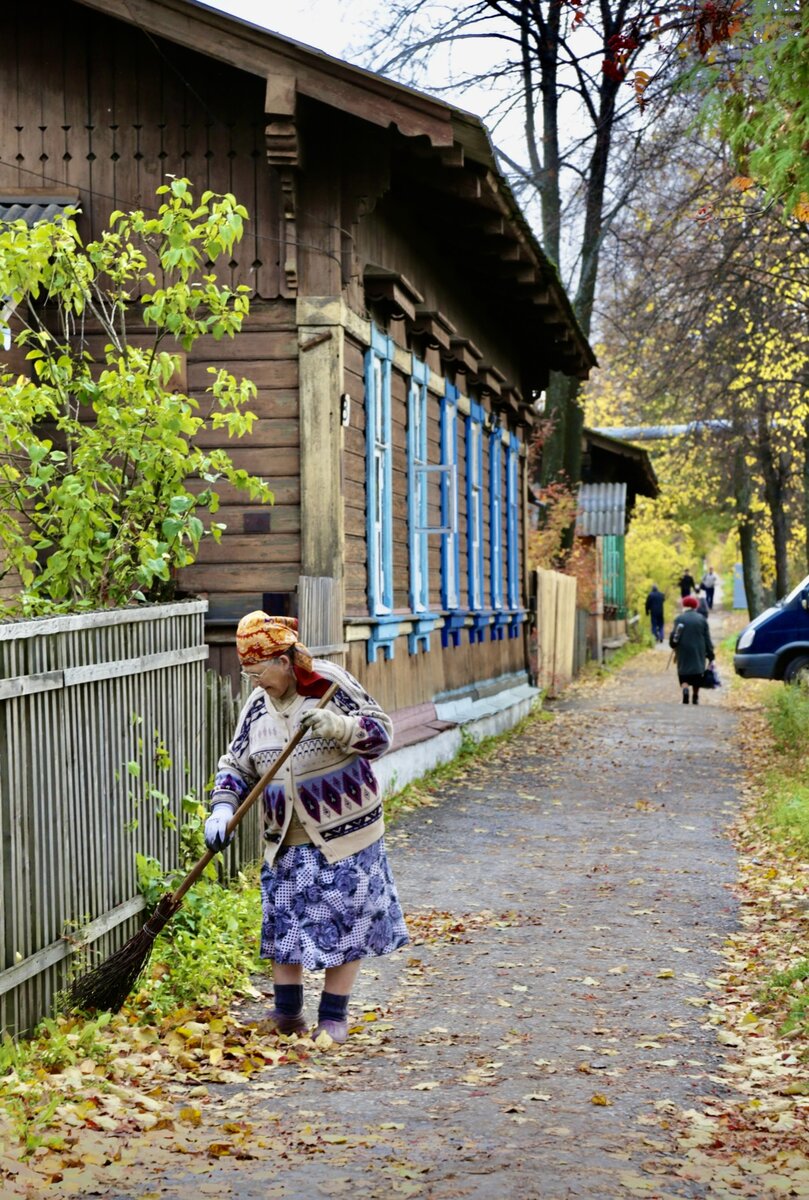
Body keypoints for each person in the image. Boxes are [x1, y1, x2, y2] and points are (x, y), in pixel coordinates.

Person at [204, 612, 408, 1044]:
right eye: (247, 672)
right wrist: (222, 807)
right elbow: (236, 764)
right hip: (284, 838)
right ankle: (287, 1013)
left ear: (283, 659)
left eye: (259, 671)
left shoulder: (327, 683)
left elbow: (381, 734)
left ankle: (333, 1017)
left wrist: (339, 727)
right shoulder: (258, 705)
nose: (255, 680)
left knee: (348, 921)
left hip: (346, 831)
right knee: (283, 926)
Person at [669, 595, 715, 705]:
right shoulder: (701, 619)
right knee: (697, 673)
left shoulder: (679, 618)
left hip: (683, 650)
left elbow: (674, 636)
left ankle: (685, 690)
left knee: (683, 671)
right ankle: (695, 696)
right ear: (695, 606)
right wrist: (710, 653)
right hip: (698, 650)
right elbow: (707, 638)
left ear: (684, 605)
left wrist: (673, 645)